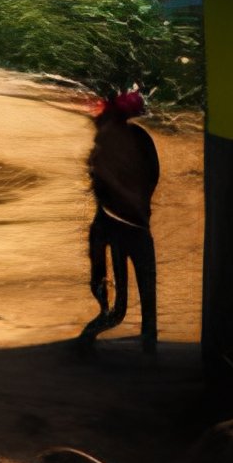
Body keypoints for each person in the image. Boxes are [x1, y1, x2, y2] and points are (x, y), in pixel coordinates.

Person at [74, 86, 160, 350]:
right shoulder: (140, 138)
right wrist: (140, 203)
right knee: (146, 287)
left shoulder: (105, 142)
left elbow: (100, 181)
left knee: (109, 279)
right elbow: (153, 175)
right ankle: (146, 334)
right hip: (138, 221)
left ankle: (104, 312)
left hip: (115, 222)